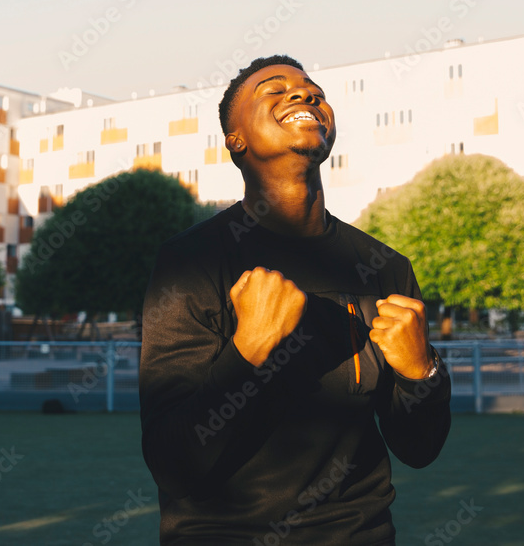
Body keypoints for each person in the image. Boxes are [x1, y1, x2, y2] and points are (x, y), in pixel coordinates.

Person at [139, 55, 451, 544]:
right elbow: (173, 464)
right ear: (235, 140)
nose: (305, 95)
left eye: (313, 90)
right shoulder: (191, 261)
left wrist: (422, 372)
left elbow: (420, 448)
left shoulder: (385, 268)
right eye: (273, 88)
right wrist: (248, 352)